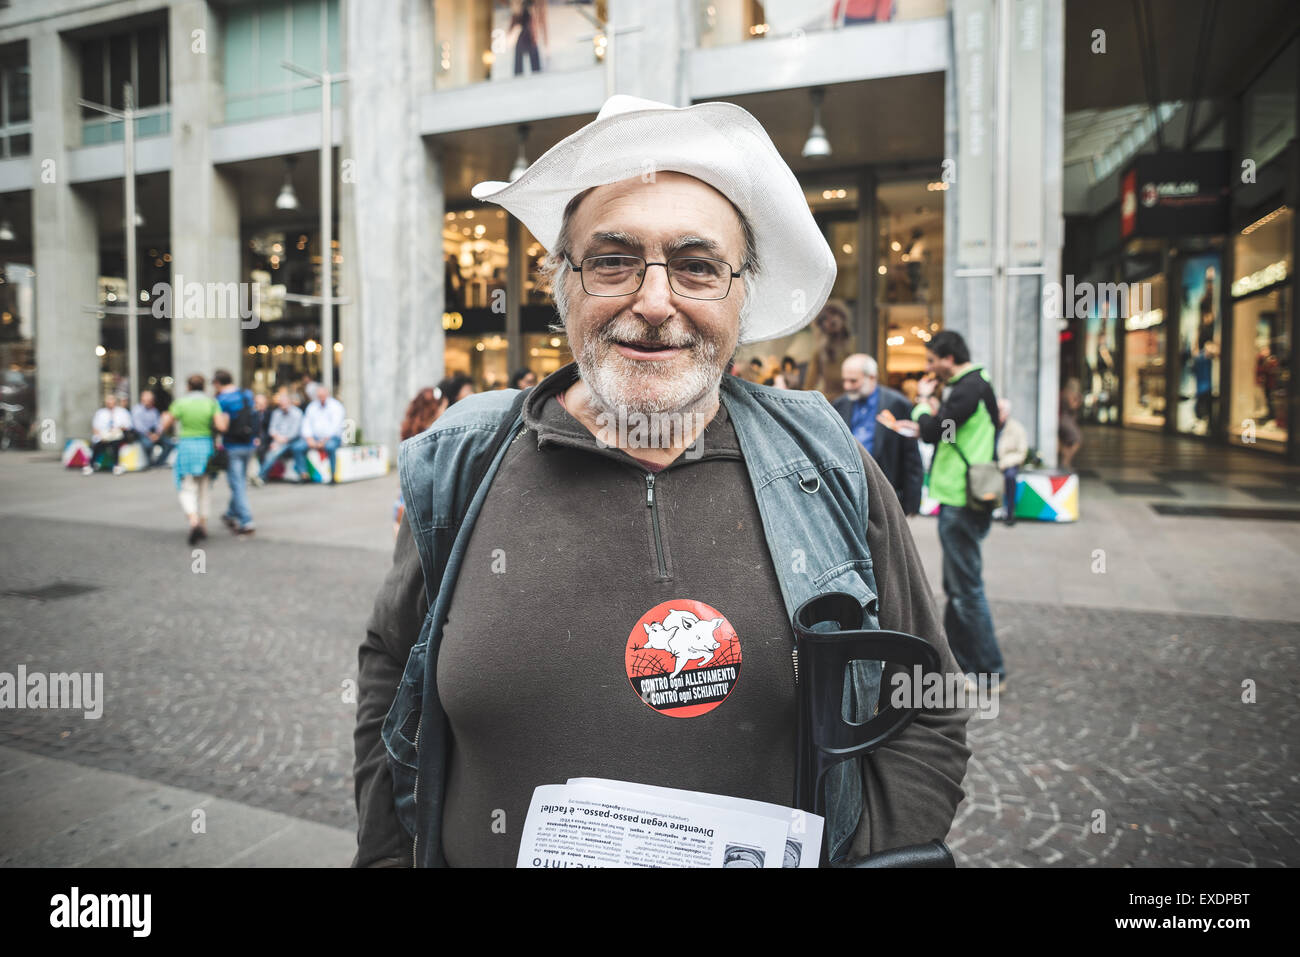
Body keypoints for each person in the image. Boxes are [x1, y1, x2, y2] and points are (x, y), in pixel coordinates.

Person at [353, 95, 970, 868]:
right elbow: (389, 662)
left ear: (742, 292)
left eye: (696, 266)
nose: (653, 302)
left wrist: (872, 850)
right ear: (563, 285)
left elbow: (928, 702)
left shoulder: (827, 463)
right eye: (612, 260)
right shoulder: (459, 464)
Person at [909, 330, 1006, 690]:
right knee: (958, 584)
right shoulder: (979, 384)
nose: (929, 368)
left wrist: (921, 405)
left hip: (962, 498)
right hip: (967, 497)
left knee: (966, 589)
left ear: (949, 358)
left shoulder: (968, 387)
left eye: (932, 360)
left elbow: (933, 432)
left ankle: (990, 671)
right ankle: (956, 663)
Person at [832, 354, 922, 515]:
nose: (847, 386)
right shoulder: (840, 405)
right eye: (844, 380)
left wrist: (912, 501)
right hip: (848, 490)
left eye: (853, 381)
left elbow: (910, 455)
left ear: (872, 378)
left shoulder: (897, 404)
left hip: (886, 490)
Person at [159, 374, 228, 546]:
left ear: (188, 387)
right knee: (205, 489)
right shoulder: (211, 403)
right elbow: (221, 426)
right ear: (204, 387)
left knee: (187, 487)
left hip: (187, 448)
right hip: (206, 448)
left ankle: (193, 521)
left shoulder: (181, 403)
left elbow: (164, 424)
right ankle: (203, 525)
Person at [393, 386, 450, 535]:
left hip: (404, 502)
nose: (445, 411)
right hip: (423, 510)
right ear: (434, 410)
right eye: (444, 407)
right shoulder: (434, 437)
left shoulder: (411, 431)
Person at [213, 370, 259, 537]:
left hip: (232, 446)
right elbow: (255, 415)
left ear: (217, 383)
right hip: (249, 444)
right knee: (239, 482)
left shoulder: (221, 400)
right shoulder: (246, 394)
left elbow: (222, 426)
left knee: (237, 483)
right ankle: (231, 513)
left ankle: (246, 520)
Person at [801, 299, 855, 402]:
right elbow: (809, 385)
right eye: (825, 319)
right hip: (832, 403)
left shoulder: (855, 346)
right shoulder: (820, 353)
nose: (831, 320)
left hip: (854, 402)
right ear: (822, 326)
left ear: (842, 317)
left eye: (834, 314)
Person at [292, 384, 346, 481]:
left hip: (332, 438)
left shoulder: (336, 406)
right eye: (319, 396)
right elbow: (306, 423)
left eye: (323, 395)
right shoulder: (312, 406)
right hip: (314, 438)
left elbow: (336, 426)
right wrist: (309, 438)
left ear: (327, 394)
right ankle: (304, 474)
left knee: (330, 447)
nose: (321, 398)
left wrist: (324, 441)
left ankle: (333, 475)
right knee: (297, 447)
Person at [256, 388, 304, 484]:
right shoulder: (276, 413)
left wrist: (281, 440)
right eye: (281, 404)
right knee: (272, 452)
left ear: (289, 402)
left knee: (297, 448)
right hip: (279, 440)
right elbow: (272, 429)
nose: (282, 406)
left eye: (284, 404)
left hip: (292, 440)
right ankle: (261, 476)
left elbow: (295, 432)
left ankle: (302, 475)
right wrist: (277, 440)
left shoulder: (297, 413)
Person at [996, 398, 1028, 527]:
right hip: (991, 461)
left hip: (1008, 463)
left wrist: (1004, 463)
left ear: (1007, 412)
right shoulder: (989, 426)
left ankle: (1010, 512)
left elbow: (1021, 453)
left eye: (1000, 410)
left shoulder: (1016, 428)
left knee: (1010, 477)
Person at [87, 393, 134, 475]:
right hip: (103, 437)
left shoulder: (122, 412)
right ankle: (91, 465)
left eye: (112, 400)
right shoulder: (100, 413)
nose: (110, 402)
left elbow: (128, 426)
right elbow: (95, 428)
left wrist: (116, 431)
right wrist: (102, 436)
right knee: (98, 445)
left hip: (117, 436)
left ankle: (116, 465)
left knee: (115, 444)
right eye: (108, 400)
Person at [132, 390, 174, 469]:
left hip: (154, 433)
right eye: (147, 400)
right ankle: (149, 463)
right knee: (148, 444)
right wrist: (150, 435)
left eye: (150, 400)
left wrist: (157, 434)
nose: (149, 402)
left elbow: (158, 424)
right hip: (142, 434)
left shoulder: (154, 410)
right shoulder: (137, 409)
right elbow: (138, 426)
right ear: (142, 400)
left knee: (169, 444)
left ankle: (158, 463)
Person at [1058, 379, 1082, 470]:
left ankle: (1065, 460)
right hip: (1065, 419)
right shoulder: (1069, 394)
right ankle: (1066, 460)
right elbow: (1073, 406)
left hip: (1065, 419)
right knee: (1077, 439)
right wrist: (1079, 401)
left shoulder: (1063, 393)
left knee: (1067, 442)